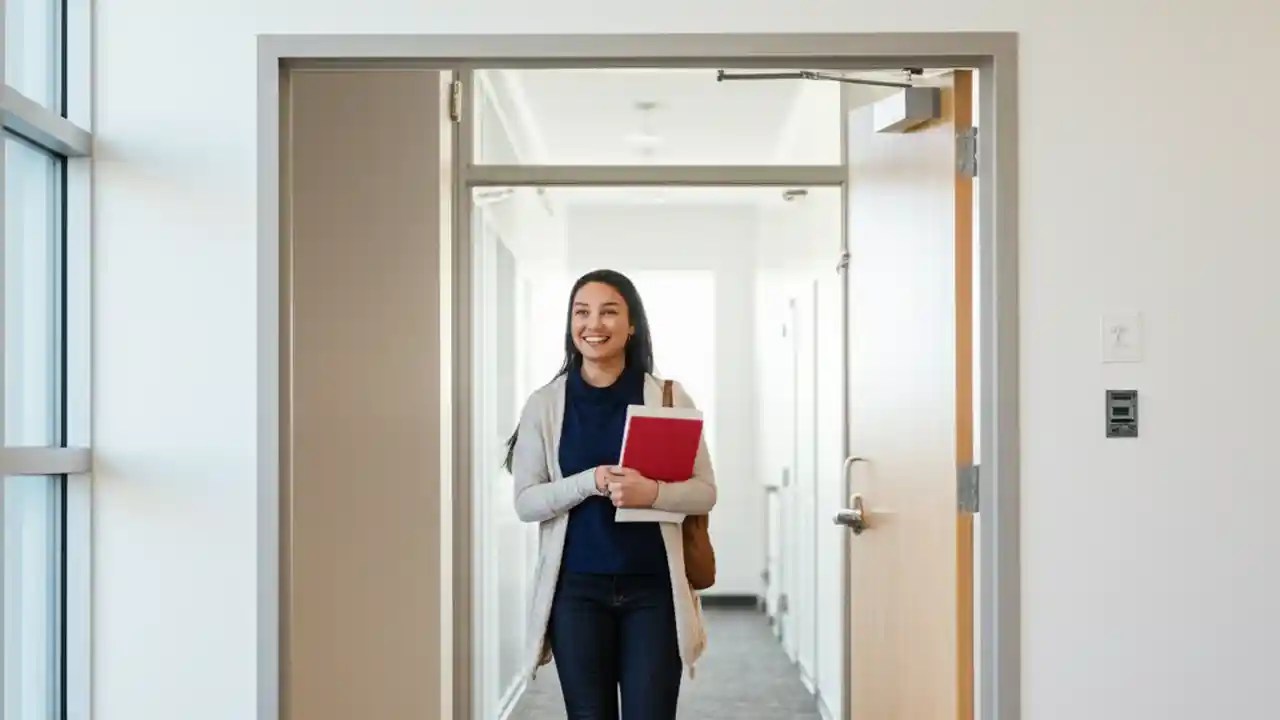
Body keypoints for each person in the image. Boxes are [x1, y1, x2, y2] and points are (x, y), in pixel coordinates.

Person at [505, 269, 717, 719]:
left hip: (654, 592)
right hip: (576, 593)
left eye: (609, 312)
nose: (593, 324)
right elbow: (526, 502)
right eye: (582, 312)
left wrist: (652, 492)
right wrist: (589, 481)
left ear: (632, 324)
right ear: (570, 324)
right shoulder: (545, 404)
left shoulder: (667, 398)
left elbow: (704, 493)